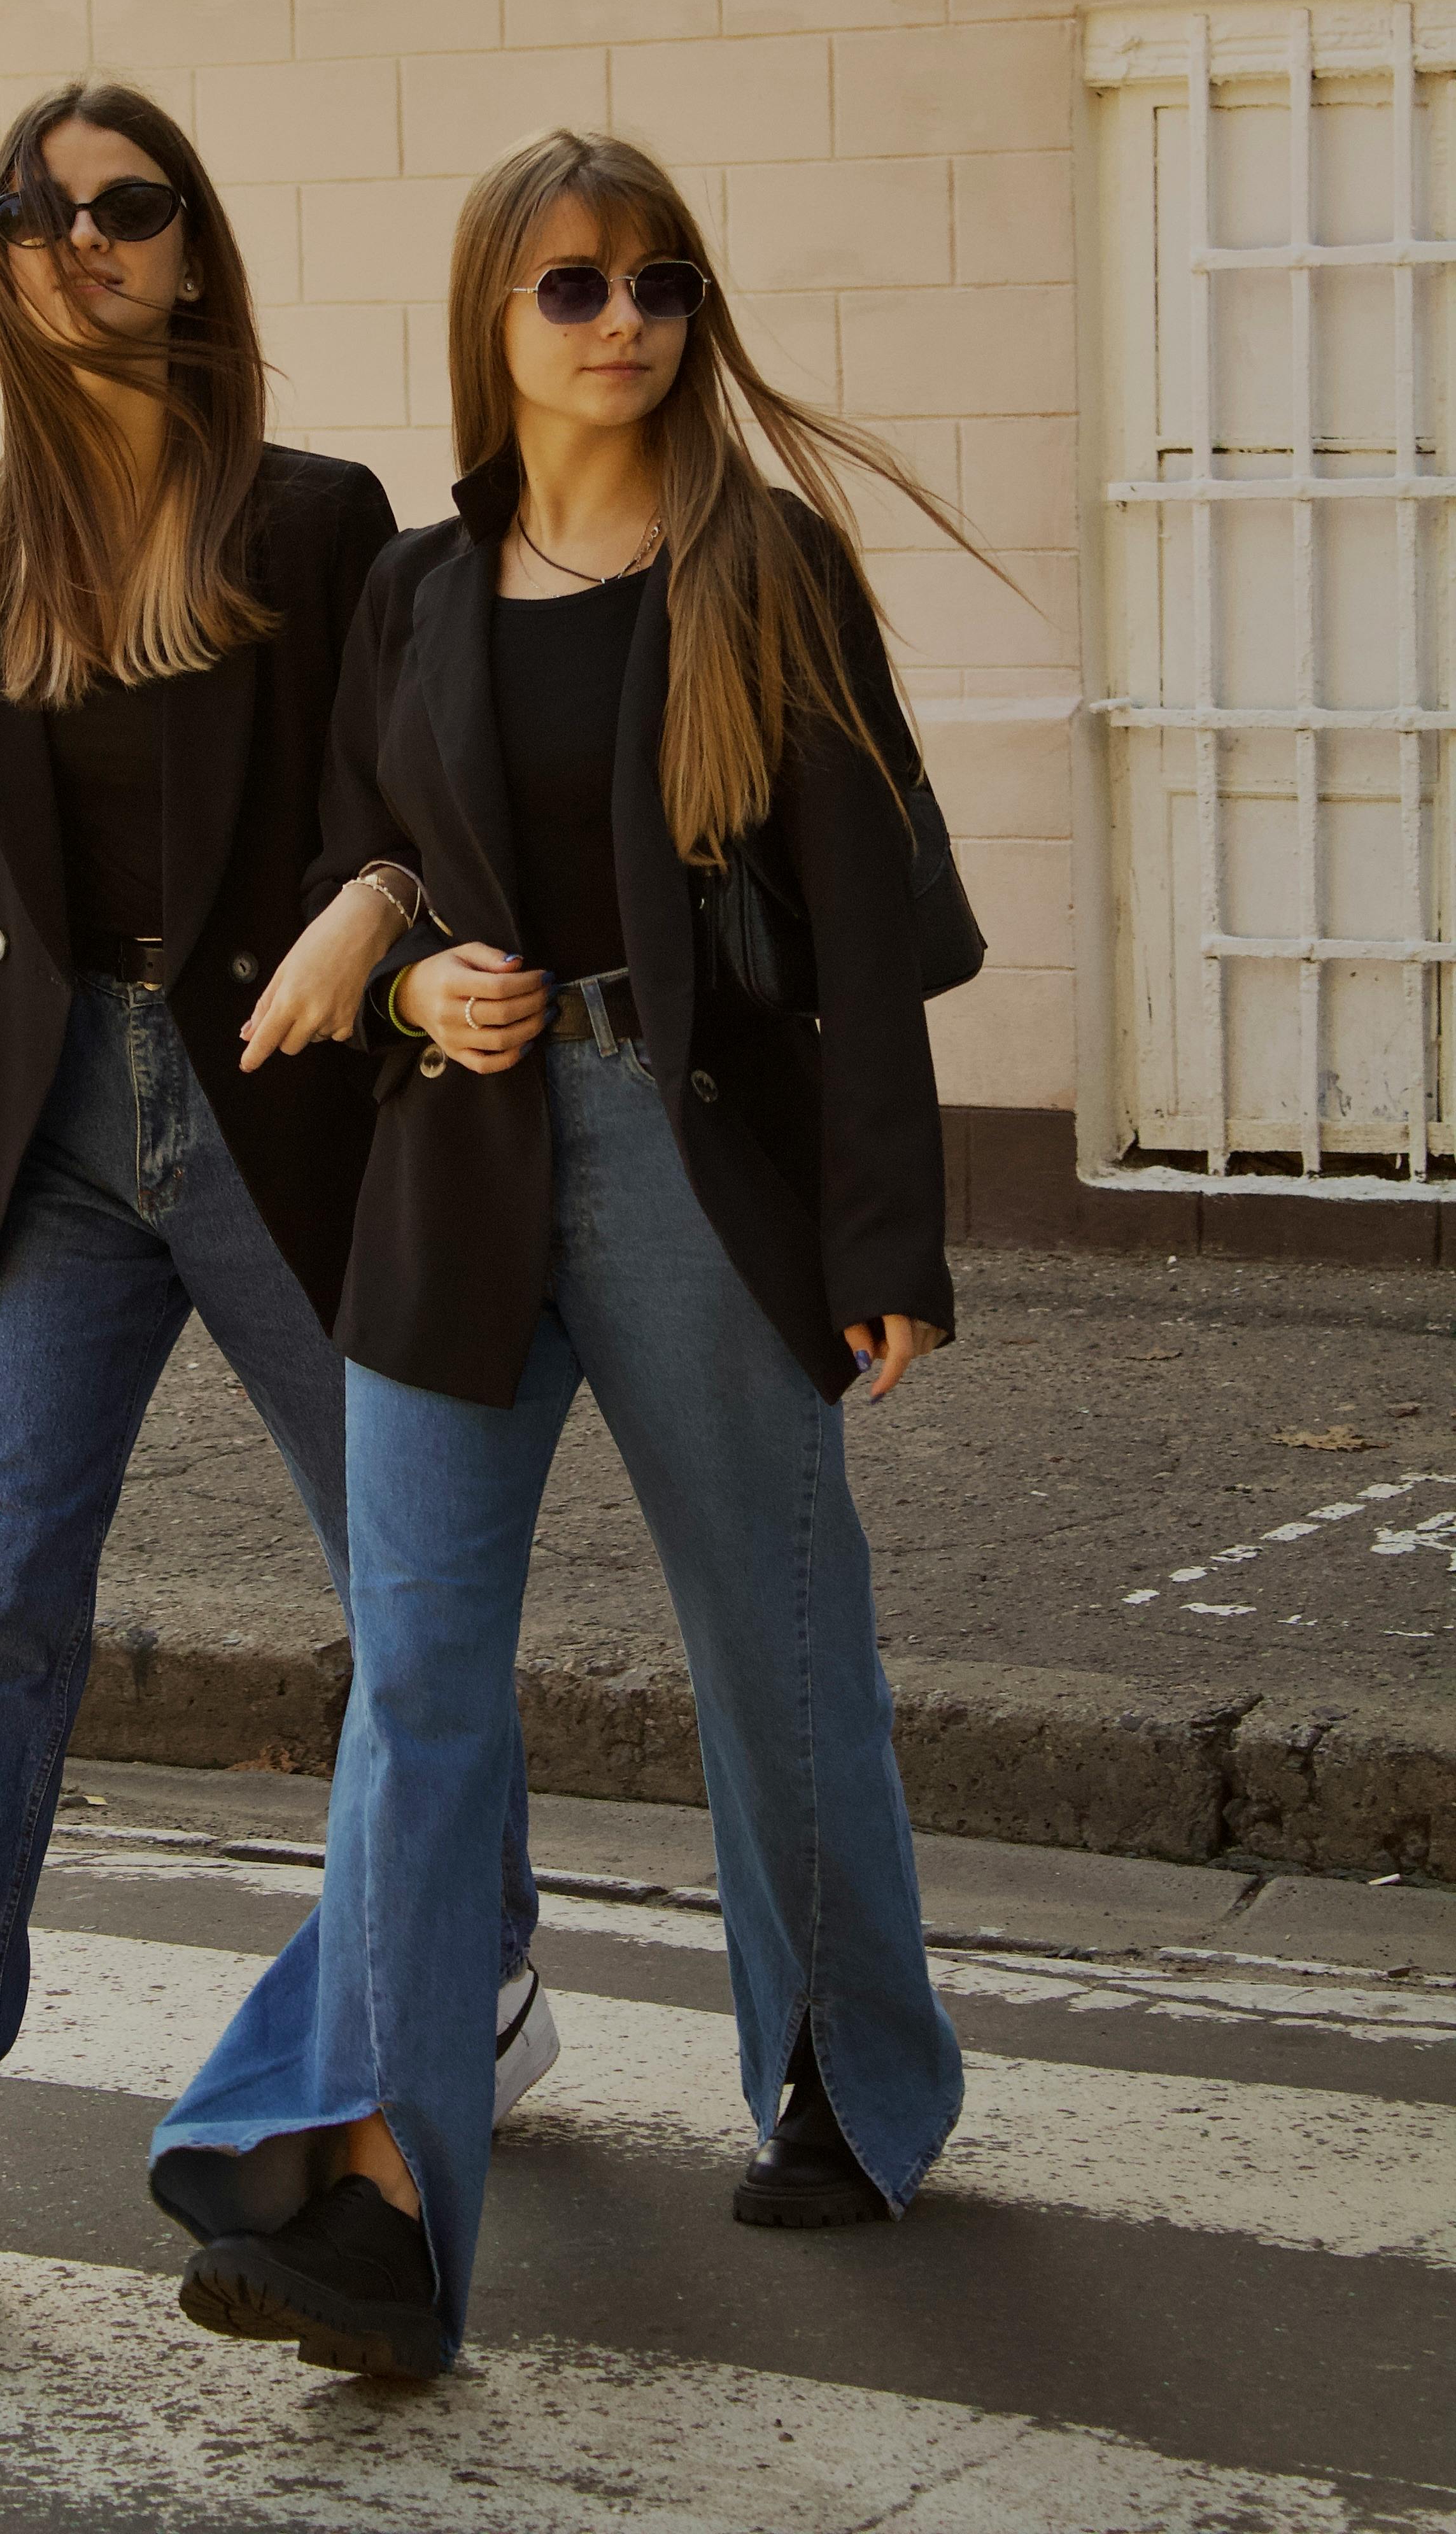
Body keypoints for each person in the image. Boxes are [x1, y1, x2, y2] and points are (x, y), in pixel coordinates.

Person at [148, 126, 977, 2378]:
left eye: (661, 286)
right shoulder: (414, 592)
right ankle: (383, 2199)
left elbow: (876, 950)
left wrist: (887, 1233)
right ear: (492, 323)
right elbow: (371, 841)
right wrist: (412, 976)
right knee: (416, 1690)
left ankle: (841, 2072)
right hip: (457, 1173)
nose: (626, 322)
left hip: (693, 1164)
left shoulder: (762, 569)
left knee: (773, 1642)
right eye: (576, 288)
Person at [0, 80, 546, 2270]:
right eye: (40, 211)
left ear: (192, 249)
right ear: (1, 254)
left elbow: (398, 812)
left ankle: (477, 1973)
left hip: (277, 1120)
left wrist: (383, 959)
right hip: (59, 1138)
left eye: (129, 208)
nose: (83, 241)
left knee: (407, 1588)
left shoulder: (308, 515)